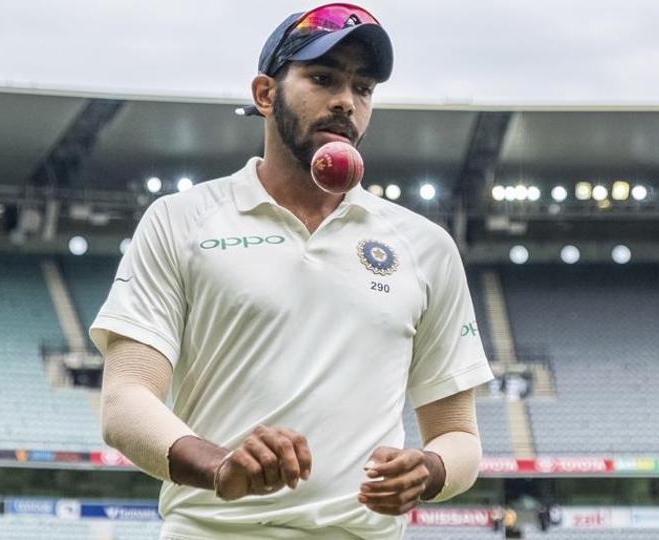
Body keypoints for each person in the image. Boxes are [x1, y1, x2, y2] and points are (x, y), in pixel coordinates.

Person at [91, 4, 494, 539]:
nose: (346, 101)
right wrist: (219, 465)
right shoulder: (180, 220)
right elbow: (124, 401)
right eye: (323, 78)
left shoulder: (425, 246)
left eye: (363, 88)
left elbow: (459, 436)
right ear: (265, 94)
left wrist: (430, 470)